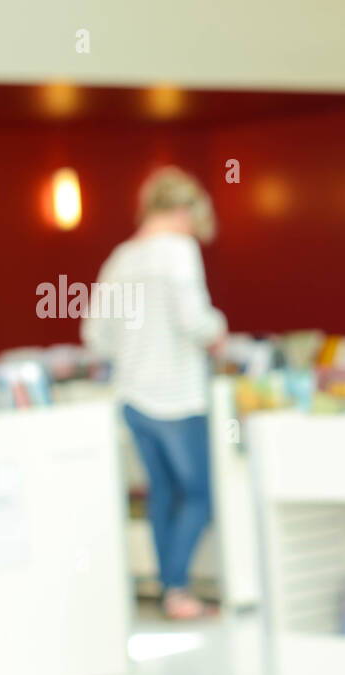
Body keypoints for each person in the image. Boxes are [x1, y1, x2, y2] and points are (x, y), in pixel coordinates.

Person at [82, 166, 226, 620]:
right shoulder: (178, 251)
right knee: (201, 494)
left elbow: (95, 334)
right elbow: (194, 319)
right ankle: (178, 588)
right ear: (184, 210)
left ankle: (171, 590)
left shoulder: (121, 257)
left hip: (131, 397)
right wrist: (217, 331)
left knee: (162, 493)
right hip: (178, 397)